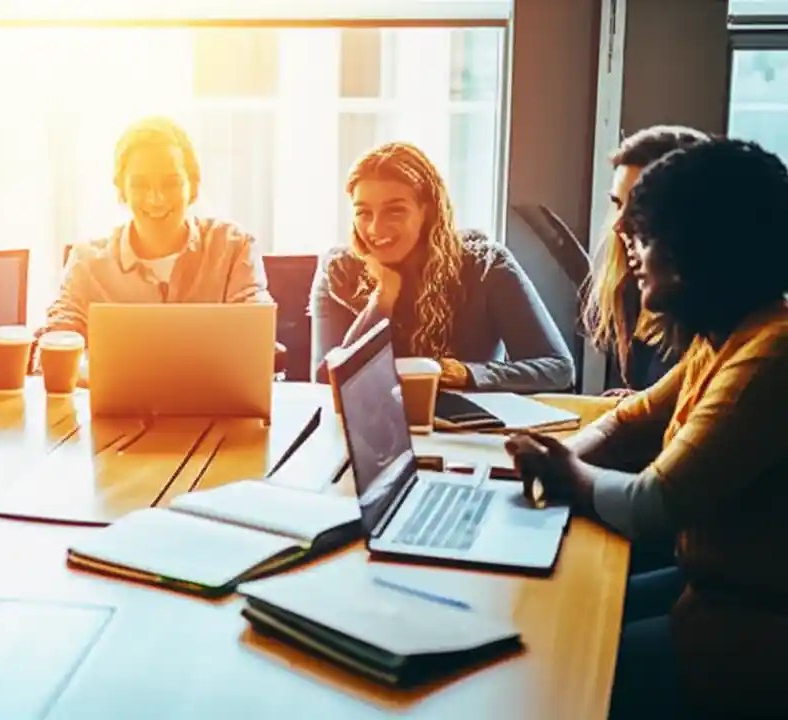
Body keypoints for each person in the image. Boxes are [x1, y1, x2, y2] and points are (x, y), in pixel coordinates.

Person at [507, 139, 788, 719]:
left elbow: (651, 503)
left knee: (550, 669)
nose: (629, 249)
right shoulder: (727, 337)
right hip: (710, 590)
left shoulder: (769, 357)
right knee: (554, 613)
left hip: (748, 635)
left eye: (645, 235)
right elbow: (627, 422)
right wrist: (560, 452)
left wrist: (562, 472)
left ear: (692, 252)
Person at [310, 142, 574, 392]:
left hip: (468, 431)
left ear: (428, 211)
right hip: (376, 430)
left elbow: (558, 369)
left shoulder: (486, 265)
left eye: (395, 211)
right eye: (363, 212)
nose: (375, 228)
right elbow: (325, 381)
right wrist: (381, 300)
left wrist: (466, 374)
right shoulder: (339, 272)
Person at [43, 116, 273, 338]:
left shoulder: (233, 248)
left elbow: (257, 339)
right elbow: (53, 347)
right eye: (140, 185)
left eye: (171, 183)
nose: (156, 199)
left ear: (193, 187)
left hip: (214, 380)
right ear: (122, 191)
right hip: (117, 380)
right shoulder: (87, 264)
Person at [582, 125, 707, 395]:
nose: (619, 225)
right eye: (617, 204)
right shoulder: (632, 289)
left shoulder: (721, 327)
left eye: (639, 206)